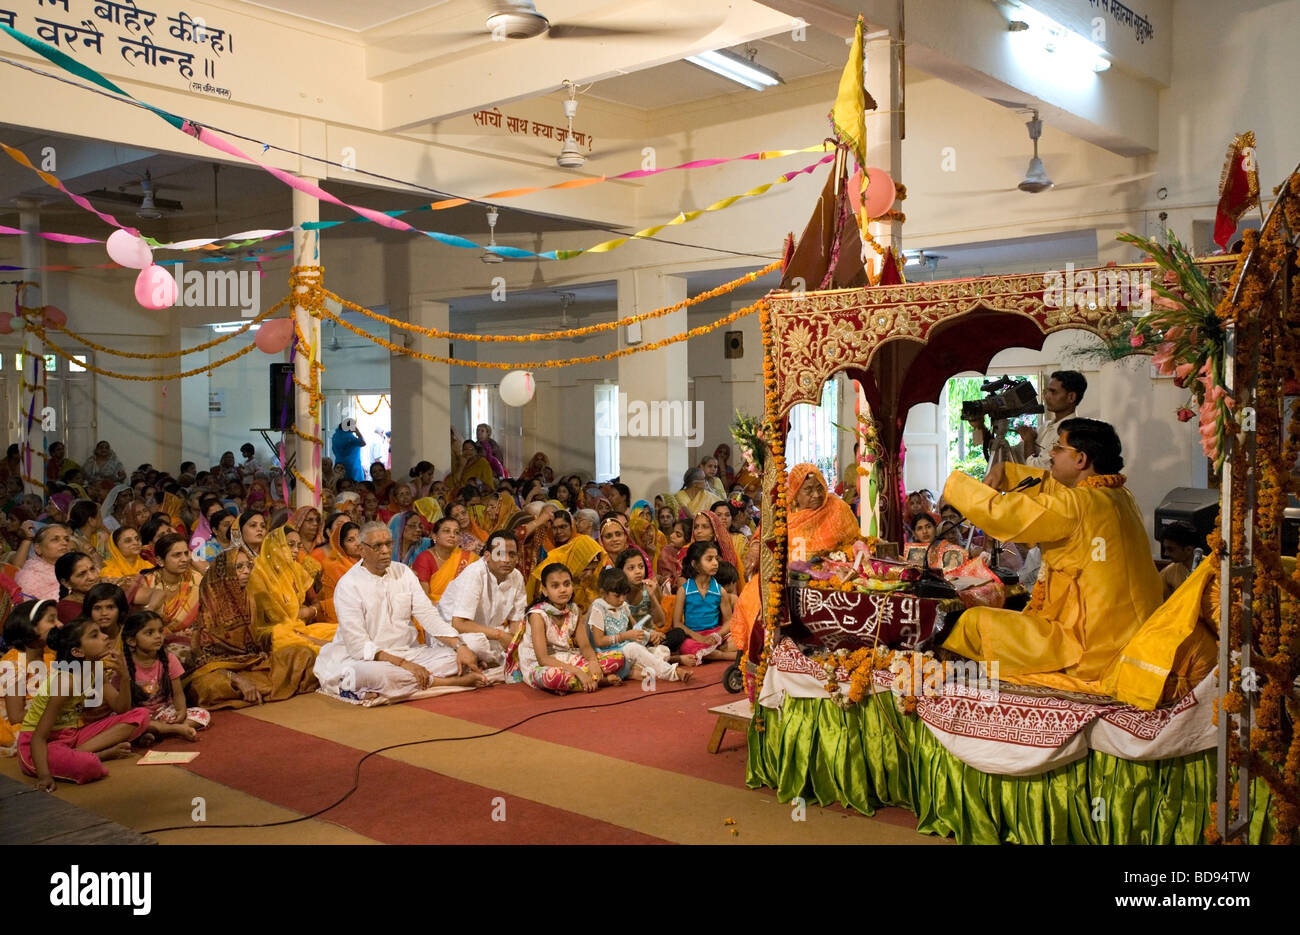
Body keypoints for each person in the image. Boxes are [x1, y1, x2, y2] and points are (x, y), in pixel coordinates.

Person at [932, 418, 1168, 697]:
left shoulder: (1078, 505)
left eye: (1058, 447)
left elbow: (1004, 514)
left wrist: (955, 486)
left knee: (973, 624)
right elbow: (1052, 488)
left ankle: (953, 696)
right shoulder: (1118, 495)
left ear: (1080, 459)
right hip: (1130, 636)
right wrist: (1006, 471)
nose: (1051, 453)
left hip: (1089, 647)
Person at [315, 521, 487, 703]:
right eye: (377, 546)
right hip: (370, 659)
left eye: (389, 544)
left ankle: (409, 682)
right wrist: (405, 665)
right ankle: (449, 681)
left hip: (409, 652)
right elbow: (358, 645)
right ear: (362, 550)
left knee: (475, 645)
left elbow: (428, 616)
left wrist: (459, 646)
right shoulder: (348, 585)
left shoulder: (403, 572)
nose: (385, 550)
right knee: (371, 675)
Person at [18, 616, 150, 790]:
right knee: (90, 766)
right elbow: (38, 737)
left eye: (101, 633)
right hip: (37, 747)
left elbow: (121, 708)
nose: (104, 637)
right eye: (94, 635)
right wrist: (44, 776)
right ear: (77, 652)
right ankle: (98, 755)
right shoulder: (65, 682)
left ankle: (77, 753)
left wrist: (124, 676)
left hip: (71, 735)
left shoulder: (95, 668)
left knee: (141, 714)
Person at [188, 549, 318, 709]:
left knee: (304, 654)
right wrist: (236, 679)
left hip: (253, 663)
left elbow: (255, 647)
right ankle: (270, 687)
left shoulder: (248, 599)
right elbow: (202, 661)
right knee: (208, 687)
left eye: (248, 566)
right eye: (239, 567)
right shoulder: (209, 605)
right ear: (225, 572)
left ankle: (261, 689)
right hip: (220, 670)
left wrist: (261, 653)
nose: (246, 571)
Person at [513, 563, 623, 694]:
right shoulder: (537, 615)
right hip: (540, 666)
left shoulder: (574, 609)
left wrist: (593, 662)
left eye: (566, 584)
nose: (563, 590)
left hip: (566, 657)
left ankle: (581, 683)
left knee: (618, 657)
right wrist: (578, 671)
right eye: (555, 586)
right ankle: (596, 681)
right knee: (554, 677)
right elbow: (543, 659)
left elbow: (585, 647)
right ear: (545, 590)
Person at [435, 530, 527, 672]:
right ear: (487, 556)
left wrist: (513, 642)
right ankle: (487, 662)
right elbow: (459, 623)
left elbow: (516, 620)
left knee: (529, 636)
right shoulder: (475, 573)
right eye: (500, 554)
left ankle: (486, 662)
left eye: (512, 554)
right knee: (476, 644)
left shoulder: (516, 576)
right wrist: (500, 636)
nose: (507, 560)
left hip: (488, 632)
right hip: (452, 635)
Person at [587, 567, 687, 684]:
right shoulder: (598, 607)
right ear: (603, 593)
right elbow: (599, 641)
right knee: (633, 649)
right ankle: (673, 672)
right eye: (617, 596)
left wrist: (650, 635)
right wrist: (624, 636)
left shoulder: (623, 605)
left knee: (662, 651)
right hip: (608, 656)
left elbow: (636, 628)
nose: (622, 599)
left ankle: (631, 671)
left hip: (624, 649)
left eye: (624, 595)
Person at [121, 610, 208, 743]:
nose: (158, 636)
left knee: (202, 714)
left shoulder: (169, 659)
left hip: (164, 712)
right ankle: (175, 730)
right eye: (150, 633)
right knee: (124, 723)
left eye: (160, 631)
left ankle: (157, 732)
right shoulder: (124, 665)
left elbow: (178, 694)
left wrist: (181, 711)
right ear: (132, 641)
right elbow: (122, 703)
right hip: (139, 715)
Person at [249, 526, 336, 654]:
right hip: (273, 631)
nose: (296, 550)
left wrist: (311, 611)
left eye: (298, 546)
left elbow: (316, 600)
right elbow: (273, 618)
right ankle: (325, 647)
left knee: (338, 631)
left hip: (298, 626)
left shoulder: (295, 569)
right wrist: (309, 635)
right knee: (285, 638)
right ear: (275, 545)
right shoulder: (258, 572)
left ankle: (324, 645)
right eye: (290, 545)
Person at [1, 600, 60, 755]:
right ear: (30, 627)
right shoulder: (13, 663)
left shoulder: (50, 656)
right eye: (51, 620)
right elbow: (15, 716)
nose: (59, 625)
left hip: (43, 716)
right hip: (17, 724)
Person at [670, 540, 736, 666]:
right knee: (687, 646)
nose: (715, 563)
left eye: (716, 559)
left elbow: (729, 621)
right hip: (694, 636)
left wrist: (717, 635)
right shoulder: (684, 591)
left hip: (715, 635)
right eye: (709, 559)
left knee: (739, 640)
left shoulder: (720, 590)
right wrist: (698, 637)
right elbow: (677, 623)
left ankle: (716, 654)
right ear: (695, 564)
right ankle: (721, 654)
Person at [141, 534, 203, 663]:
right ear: (160, 561)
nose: (185, 559)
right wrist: (170, 635)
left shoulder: (197, 581)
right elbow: (141, 623)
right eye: (177, 555)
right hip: (152, 643)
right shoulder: (147, 583)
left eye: (186, 553)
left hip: (189, 639)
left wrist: (193, 631)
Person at [1011, 370, 1088, 469]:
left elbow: (1036, 469)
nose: (1047, 397)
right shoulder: (1045, 426)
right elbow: (1016, 453)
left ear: (1071, 397)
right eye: (1046, 391)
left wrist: (1029, 440)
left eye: (1053, 392)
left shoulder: (1071, 433)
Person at [414, 517, 478, 600]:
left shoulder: (467, 558)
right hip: (432, 609)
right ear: (434, 536)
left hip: (462, 609)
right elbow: (422, 598)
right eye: (447, 531)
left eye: (456, 532)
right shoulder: (424, 558)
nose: (452, 535)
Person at [16, 524, 73, 602]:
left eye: (66, 539)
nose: (64, 543)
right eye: (55, 539)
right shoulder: (28, 577)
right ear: (38, 548)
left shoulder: (77, 565)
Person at [55, 552, 100, 624]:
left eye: (92, 569)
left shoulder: (105, 595)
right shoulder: (65, 609)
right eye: (82, 574)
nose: (92, 577)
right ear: (66, 583)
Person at [1159, 521, 1200, 600]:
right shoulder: (1167, 573)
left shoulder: (1211, 568)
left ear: (1188, 549)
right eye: (1165, 549)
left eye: (1170, 549)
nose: (1166, 553)